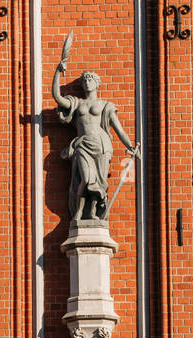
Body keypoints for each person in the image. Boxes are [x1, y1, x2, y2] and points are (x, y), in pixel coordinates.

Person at [51, 62, 140, 222]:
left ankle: (92, 213)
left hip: (102, 145)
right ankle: (78, 213)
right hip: (83, 145)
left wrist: (131, 147)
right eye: (85, 79)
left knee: (99, 182)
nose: (87, 82)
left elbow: (119, 130)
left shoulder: (105, 105)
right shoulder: (77, 103)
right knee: (86, 179)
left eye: (90, 79)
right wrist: (58, 72)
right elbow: (57, 96)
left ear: (97, 83)